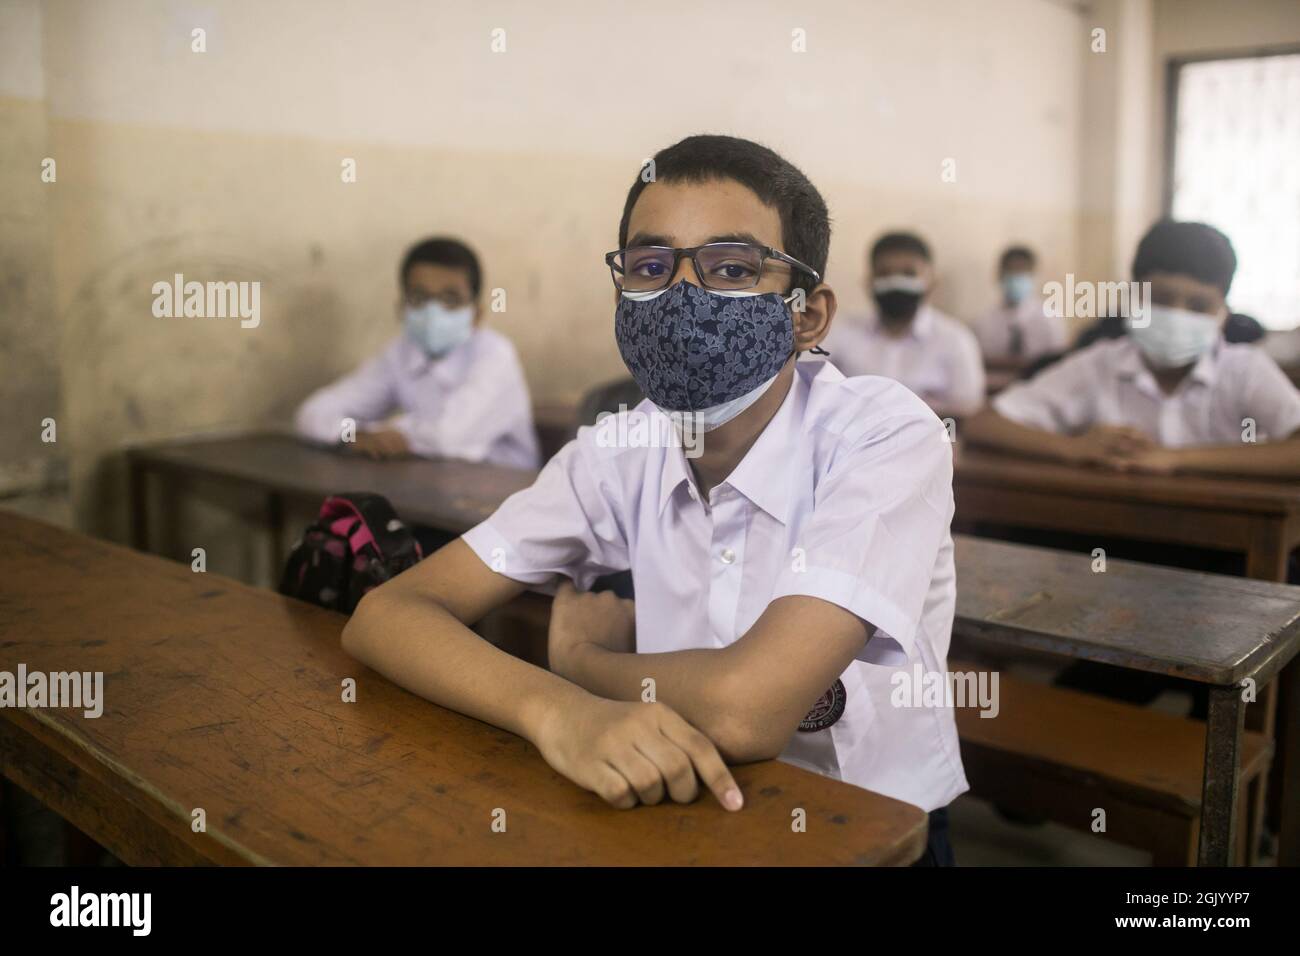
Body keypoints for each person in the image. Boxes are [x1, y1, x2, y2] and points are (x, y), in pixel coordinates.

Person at [341, 135, 968, 866]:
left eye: (731, 268)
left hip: (873, 832)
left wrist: (578, 660)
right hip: (677, 807)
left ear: (807, 315)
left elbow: (747, 710)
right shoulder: (621, 447)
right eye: (650, 266)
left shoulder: (885, 434)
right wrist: (561, 713)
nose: (681, 294)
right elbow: (386, 616)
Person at [963, 220, 1300, 479]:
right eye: (1161, 300)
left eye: (1198, 305)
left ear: (1223, 311)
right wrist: (1073, 449)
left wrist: (1175, 458)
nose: (1178, 315)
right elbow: (983, 424)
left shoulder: (1244, 370)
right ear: (1132, 297)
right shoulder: (1101, 364)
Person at [294, 237, 540, 470]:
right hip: (430, 486)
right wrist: (353, 436)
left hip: (504, 493)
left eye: (450, 299)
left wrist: (388, 434)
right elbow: (313, 414)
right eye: (419, 297)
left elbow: (448, 436)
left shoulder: (495, 354)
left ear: (476, 314)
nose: (433, 311)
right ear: (401, 308)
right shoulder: (399, 353)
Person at [823, 232, 985, 419]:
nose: (895, 282)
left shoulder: (955, 339)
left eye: (909, 274)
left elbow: (968, 409)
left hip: (928, 439)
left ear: (931, 280)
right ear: (868, 282)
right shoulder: (840, 331)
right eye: (884, 274)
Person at [973, 245, 1067, 363]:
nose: (1015, 279)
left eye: (1021, 272)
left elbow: (1057, 360)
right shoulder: (984, 322)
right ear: (999, 276)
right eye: (1010, 272)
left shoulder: (1050, 317)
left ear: (1033, 276)